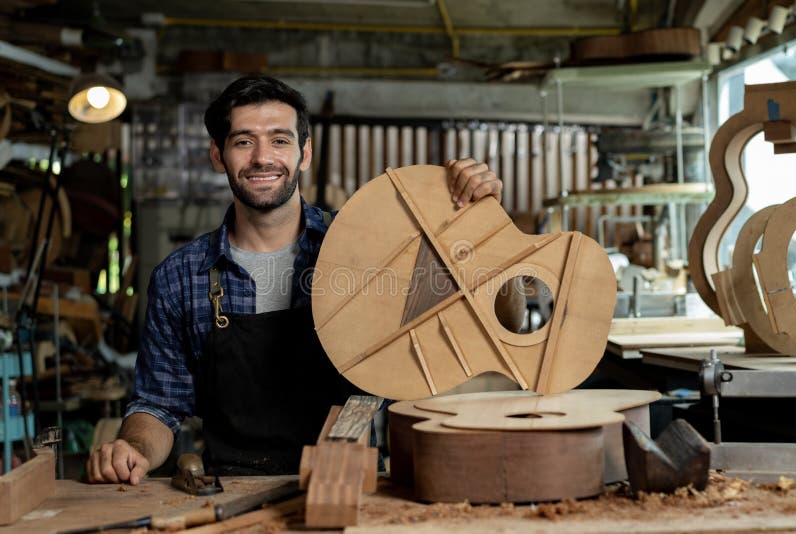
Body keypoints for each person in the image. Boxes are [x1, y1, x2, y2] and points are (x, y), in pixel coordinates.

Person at [86, 76, 507, 484]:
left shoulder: (370, 254)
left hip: (349, 486)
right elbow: (159, 405)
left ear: (304, 153)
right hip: (229, 491)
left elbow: (498, 319)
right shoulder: (180, 277)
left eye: (280, 140)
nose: (263, 157)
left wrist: (488, 231)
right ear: (218, 155)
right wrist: (133, 448)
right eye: (244, 141)